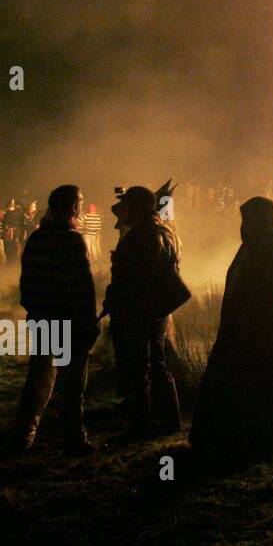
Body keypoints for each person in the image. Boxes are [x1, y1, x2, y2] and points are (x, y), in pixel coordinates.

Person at [190, 197, 273, 461]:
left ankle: (272, 438)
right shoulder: (250, 248)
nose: (244, 226)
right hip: (241, 336)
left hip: (269, 337)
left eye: (249, 220)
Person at [14, 185, 99, 455]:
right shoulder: (73, 240)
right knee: (72, 385)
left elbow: (26, 284)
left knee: (39, 379)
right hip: (69, 320)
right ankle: (73, 438)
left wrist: (36, 311)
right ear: (73, 207)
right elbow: (82, 287)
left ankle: (23, 436)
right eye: (80, 202)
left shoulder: (37, 239)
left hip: (42, 318)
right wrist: (89, 322)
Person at [105, 185, 186, 438]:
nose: (122, 213)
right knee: (156, 365)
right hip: (152, 309)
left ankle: (141, 425)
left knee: (139, 368)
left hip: (140, 310)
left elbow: (140, 277)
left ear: (138, 210)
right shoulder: (157, 230)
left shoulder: (147, 234)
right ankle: (169, 421)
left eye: (127, 207)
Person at [2, 200, 28, 265]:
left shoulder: (10, 213)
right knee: (12, 247)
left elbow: (5, 223)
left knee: (10, 247)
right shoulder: (20, 213)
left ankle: (11, 262)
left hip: (13, 232)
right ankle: (12, 262)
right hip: (15, 232)